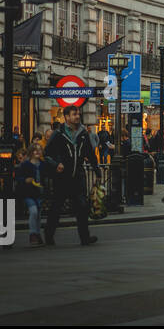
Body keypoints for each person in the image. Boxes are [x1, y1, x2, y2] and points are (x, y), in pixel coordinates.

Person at [44, 105, 98, 247]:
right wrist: (56, 164)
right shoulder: (58, 133)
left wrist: (97, 171)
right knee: (56, 207)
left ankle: (85, 238)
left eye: (78, 114)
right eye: (74, 114)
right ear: (66, 117)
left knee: (82, 206)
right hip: (62, 178)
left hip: (78, 176)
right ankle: (49, 236)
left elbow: (90, 154)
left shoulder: (83, 133)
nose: (77, 116)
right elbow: (47, 154)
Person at [15, 143, 48, 247]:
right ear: (31, 152)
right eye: (35, 150)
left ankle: (38, 234)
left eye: (39, 150)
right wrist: (25, 180)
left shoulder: (43, 164)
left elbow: (46, 178)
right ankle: (33, 234)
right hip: (28, 193)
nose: (37, 152)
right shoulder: (25, 164)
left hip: (39, 192)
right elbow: (18, 178)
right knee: (33, 212)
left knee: (38, 214)